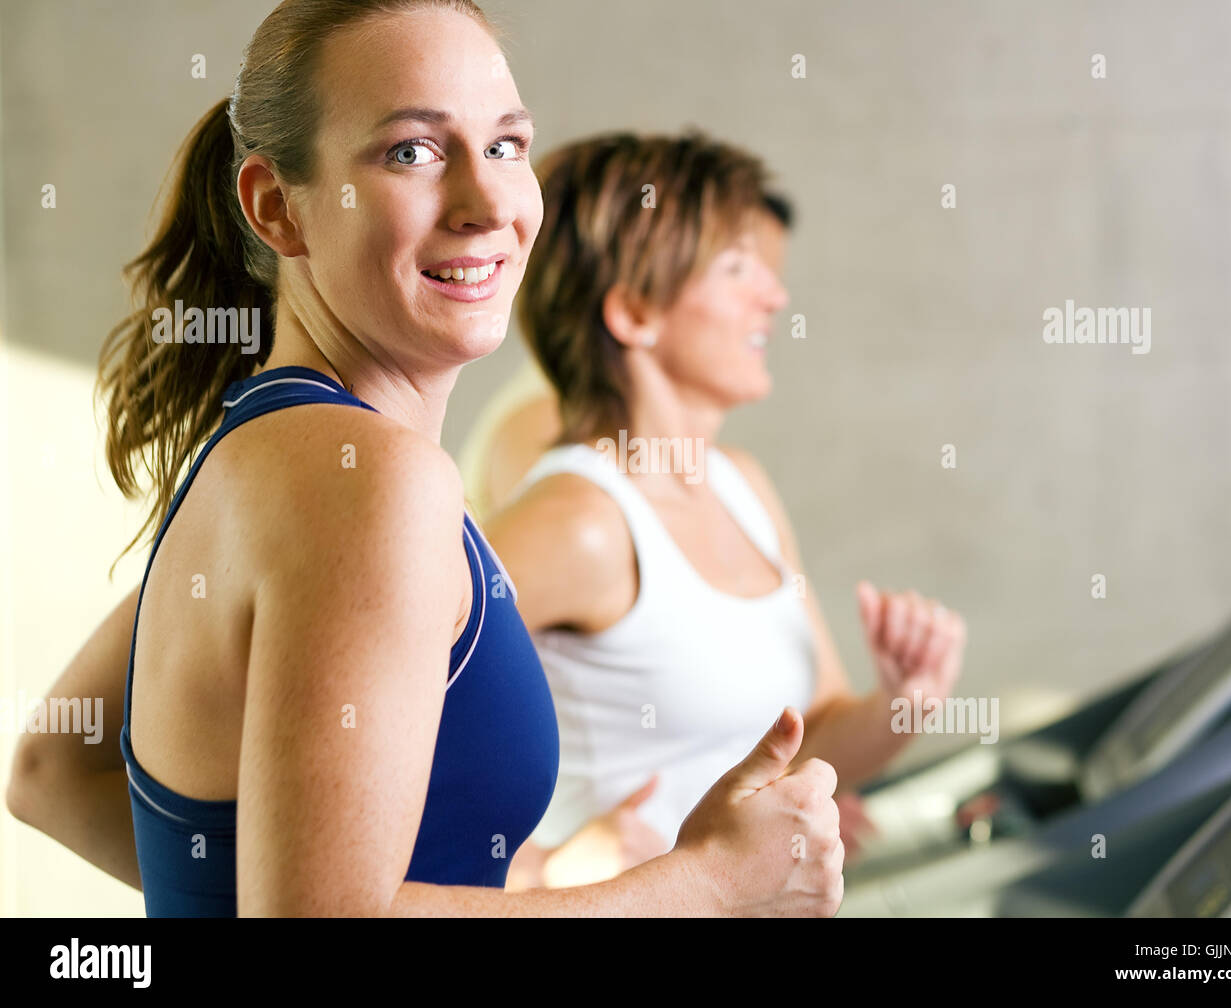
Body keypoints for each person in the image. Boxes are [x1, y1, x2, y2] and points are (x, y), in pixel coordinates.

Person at [5, 0, 844, 917]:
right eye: (412, 151)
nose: (488, 205)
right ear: (277, 208)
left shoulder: (282, 451)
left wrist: (516, 881)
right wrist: (705, 884)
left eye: (507, 145)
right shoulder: (368, 480)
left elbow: (53, 770)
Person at [455, 133, 968, 889]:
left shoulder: (743, 486)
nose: (775, 295)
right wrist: (542, 871)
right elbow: (364, 720)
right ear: (633, 311)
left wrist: (905, 701)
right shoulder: (578, 522)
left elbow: (813, 741)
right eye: (736, 269)